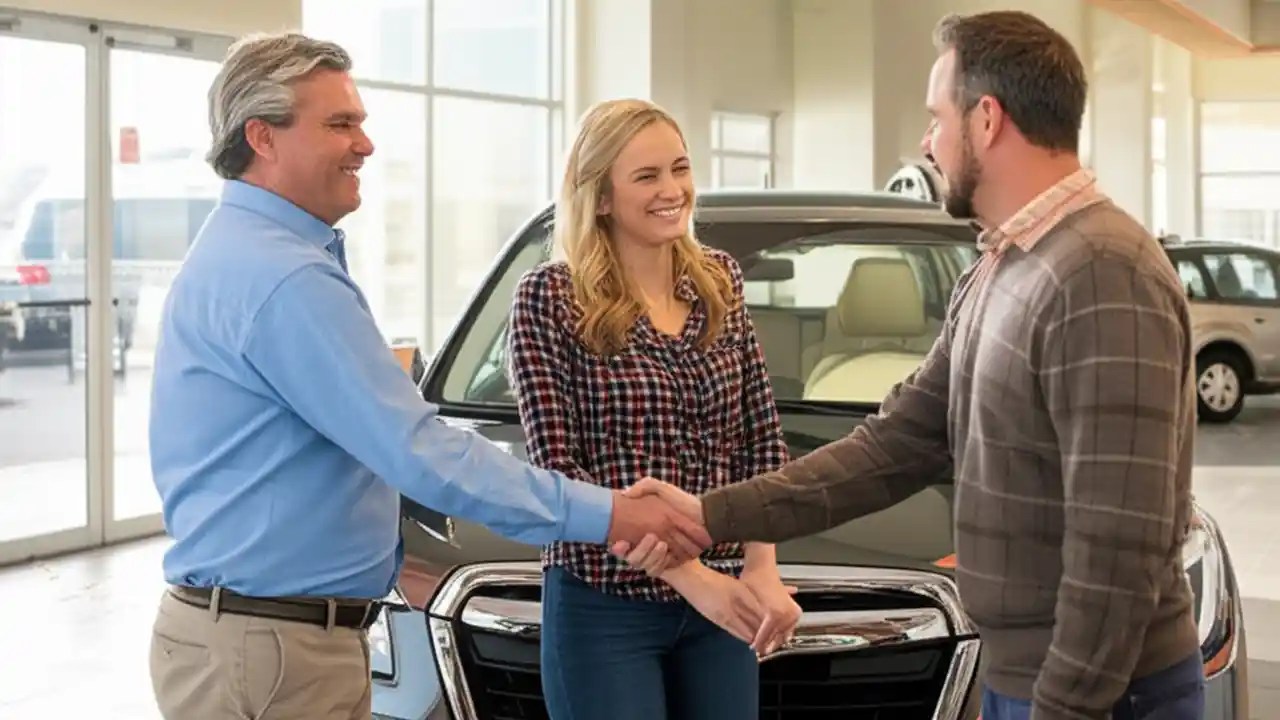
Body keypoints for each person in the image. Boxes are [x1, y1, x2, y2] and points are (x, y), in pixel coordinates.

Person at [618, 11, 1205, 720]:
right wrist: (713, 514)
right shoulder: (1002, 265)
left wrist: (1062, 709)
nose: (927, 142)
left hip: (1102, 694)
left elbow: (1117, 543)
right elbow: (897, 444)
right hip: (1030, 676)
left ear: (986, 119)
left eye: (936, 117)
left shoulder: (1102, 272)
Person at [146, 33, 710, 720]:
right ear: (262, 136)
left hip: (269, 638)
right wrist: (616, 512)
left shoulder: (252, 252)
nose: (365, 145)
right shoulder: (283, 277)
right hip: (272, 653)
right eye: (340, 124)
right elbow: (420, 451)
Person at [504, 98, 802, 720]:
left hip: (724, 604)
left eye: (680, 168)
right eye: (647, 176)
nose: (673, 190)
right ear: (602, 197)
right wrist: (695, 579)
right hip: (604, 608)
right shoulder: (549, 298)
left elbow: (760, 438)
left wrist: (761, 568)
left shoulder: (720, 280)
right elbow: (559, 475)